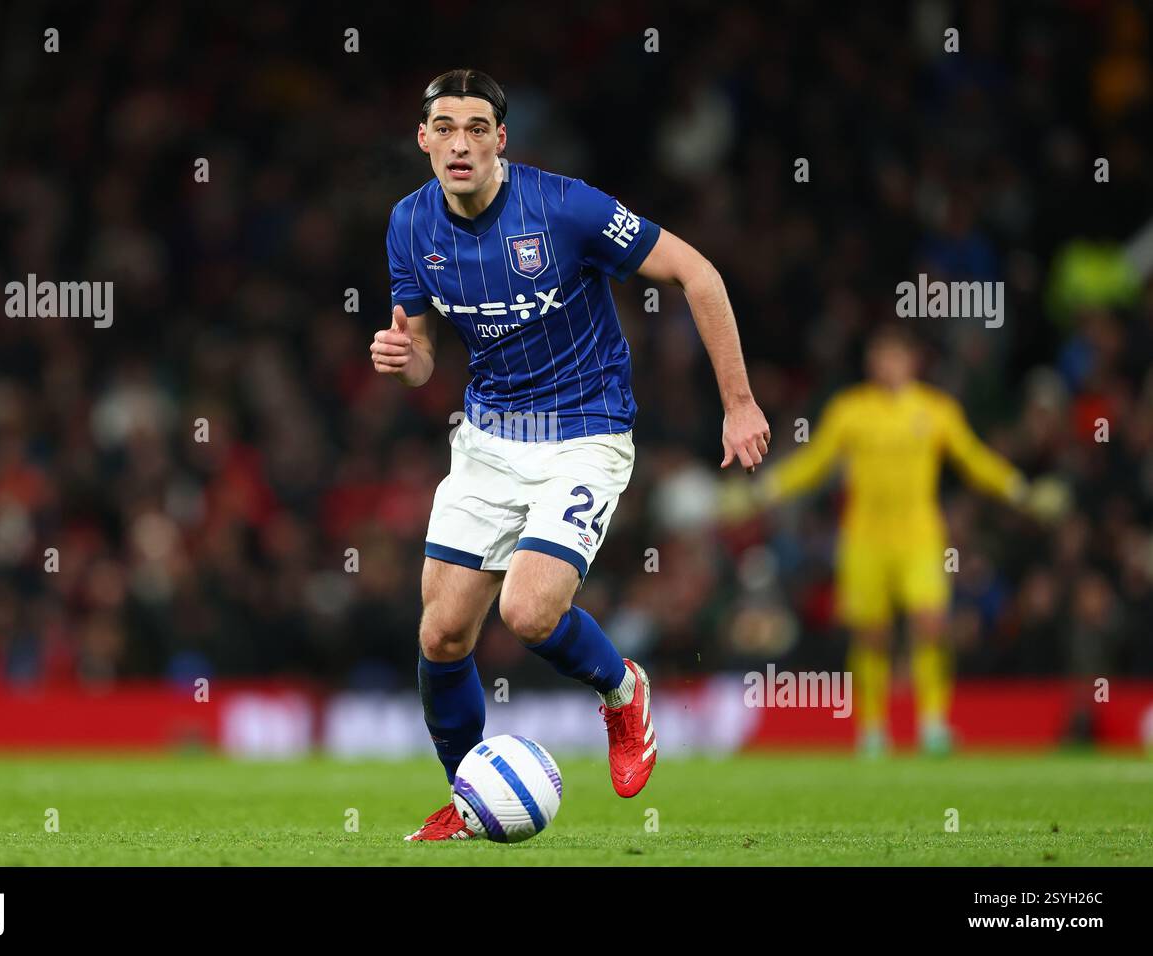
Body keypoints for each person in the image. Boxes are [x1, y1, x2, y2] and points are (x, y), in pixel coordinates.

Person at [372, 69, 769, 839]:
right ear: (422, 138)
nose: (461, 143)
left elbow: (698, 274)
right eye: (445, 127)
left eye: (478, 127)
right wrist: (402, 356)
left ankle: (623, 691)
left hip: (585, 434)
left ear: (501, 140)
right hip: (488, 441)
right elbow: (420, 354)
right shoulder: (408, 225)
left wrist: (740, 402)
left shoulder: (564, 207)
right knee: (441, 634)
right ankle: (466, 797)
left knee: (526, 610)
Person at [719, 325, 1069, 756]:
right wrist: (761, 492)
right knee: (872, 634)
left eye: (895, 356)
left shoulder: (937, 410)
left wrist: (1021, 490)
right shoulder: (851, 410)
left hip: (920, 536)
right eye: (879, 356)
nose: (886, 364)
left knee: (930, 623)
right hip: (864, 538)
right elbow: (814, 462)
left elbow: (973, 458)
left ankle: (934, 724)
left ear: (912, 360)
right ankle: (871, 729)